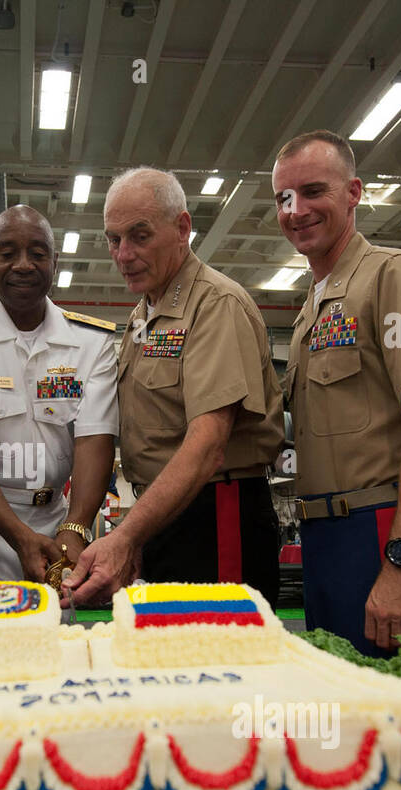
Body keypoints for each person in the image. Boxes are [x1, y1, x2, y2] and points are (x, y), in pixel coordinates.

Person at [272, 129, 401, 656]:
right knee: (347, 714)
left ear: (354, 192)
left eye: (314, 191)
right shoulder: (312, 309)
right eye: (284, 198)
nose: (297, 210)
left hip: (384, 533)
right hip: (324, 542)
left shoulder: (396, 276)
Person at [65, 167, 284, 607]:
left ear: (182, 228)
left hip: (217, 516)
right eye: (113, 239)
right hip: (164, 517)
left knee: (221, 659)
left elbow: (208, 446)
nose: (123, 254)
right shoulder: (142, 315)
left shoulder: (215, 304)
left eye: (139, 236)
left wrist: (125, 535)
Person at [0, 205, 118, 588]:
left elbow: (95, 441)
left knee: (53, 642)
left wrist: (75, 530)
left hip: (58, 526)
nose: (23, 265)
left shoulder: (91, 342)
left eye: (38, 253)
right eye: (7, 253)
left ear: (54, 260)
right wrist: (18, 536)